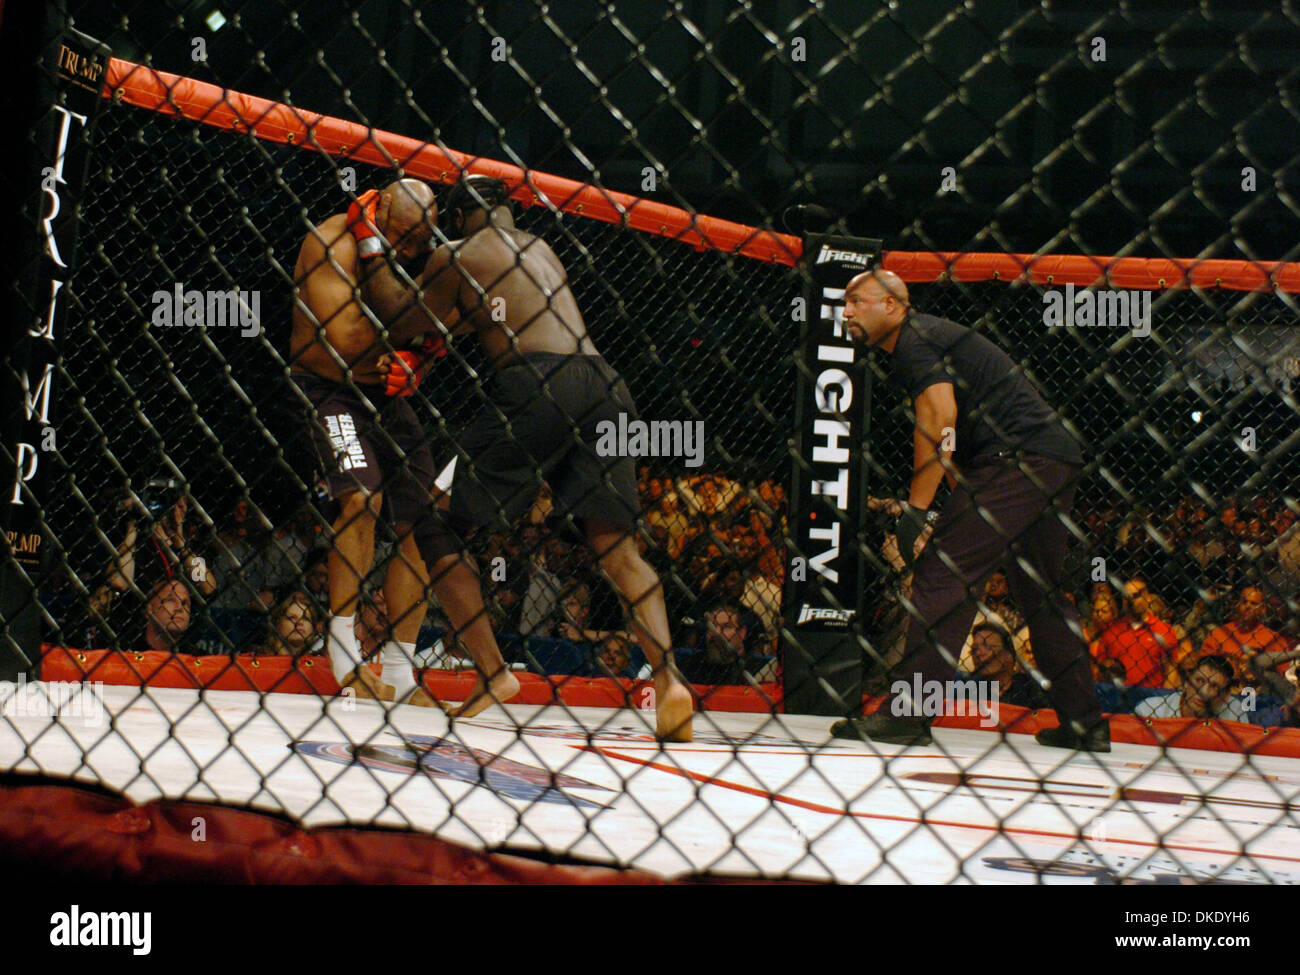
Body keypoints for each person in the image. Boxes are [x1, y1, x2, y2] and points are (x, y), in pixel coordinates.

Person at [355, 174, 693, 740]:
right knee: (617, 548)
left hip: (537, 385)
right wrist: (432, 346)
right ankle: (669, 680)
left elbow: (396, 311)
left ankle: (493, 673)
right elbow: (474, 316)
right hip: (606, 385)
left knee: (438, 529)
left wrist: (369, 241)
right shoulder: (542, 249)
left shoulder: (456, 253)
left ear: (459, 218)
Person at [830, 269, 1104, 750]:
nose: (847, 310)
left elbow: (939, 418)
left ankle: (908, 714)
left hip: (1017, 459)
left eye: (857, 301)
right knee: (1040, 593)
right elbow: (957, 437)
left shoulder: (914, 340)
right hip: (1049, 457)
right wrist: (953, 489)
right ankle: (1084, 723)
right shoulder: (929, 337)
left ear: (893, 305)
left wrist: (918, 508)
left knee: (944, 573)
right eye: (844, 302)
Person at [288, 178, 444, 705]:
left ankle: (400, 669)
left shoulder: (424, 250)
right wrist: (411, 335)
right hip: (327, 388)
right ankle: (344, 655)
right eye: (398, 237)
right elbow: (345, 339)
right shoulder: (331, 242)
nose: (404, 252)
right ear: (378, 210)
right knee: (360, 497)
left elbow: (447, 321)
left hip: (385, 395)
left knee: (424, 517)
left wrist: (415, 357)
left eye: (414, 242)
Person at [1134, 655, 1249, 722]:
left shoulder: (1235, 712)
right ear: (1187, 683)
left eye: (1215, 686)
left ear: (1225, 696)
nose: (1204, 692)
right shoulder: (1150, 710)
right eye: (1199, 681)